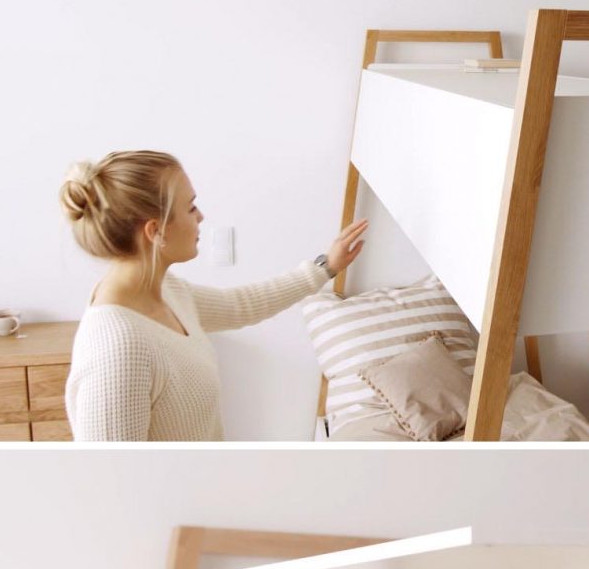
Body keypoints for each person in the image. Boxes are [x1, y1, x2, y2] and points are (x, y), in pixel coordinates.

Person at [59, 150, 367, 441]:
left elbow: (241, 306)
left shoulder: (165, 290)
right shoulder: (118, 348)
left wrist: (325, 266)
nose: (201, 216)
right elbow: (114, 483)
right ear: (156, 231)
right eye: (191, 207)